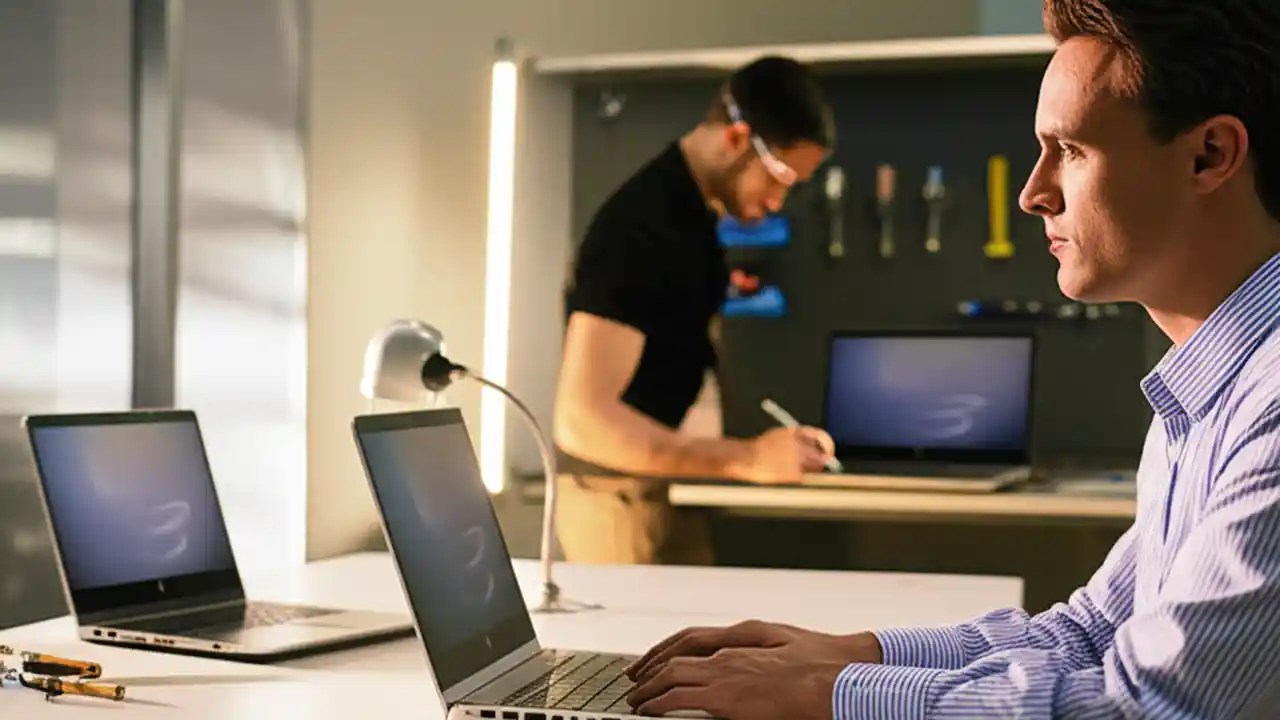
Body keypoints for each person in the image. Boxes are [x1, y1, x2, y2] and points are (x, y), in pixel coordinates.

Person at [622, 0, 1280, 716]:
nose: (1033, 193)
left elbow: (1140, 707)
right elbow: (1090, 633)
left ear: (1209, 155)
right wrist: (846, 655)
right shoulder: (1206, 396)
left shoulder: (1270, 409)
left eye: (1071, 150)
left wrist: (826, 693)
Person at [553, 57, 837, 566]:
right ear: (736, 138)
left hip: (664, 486)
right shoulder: (639, 230)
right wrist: (748, 458)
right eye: (779, 177)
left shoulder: (693, 219)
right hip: (616, 497)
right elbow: (582, 420)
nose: (779, 202)